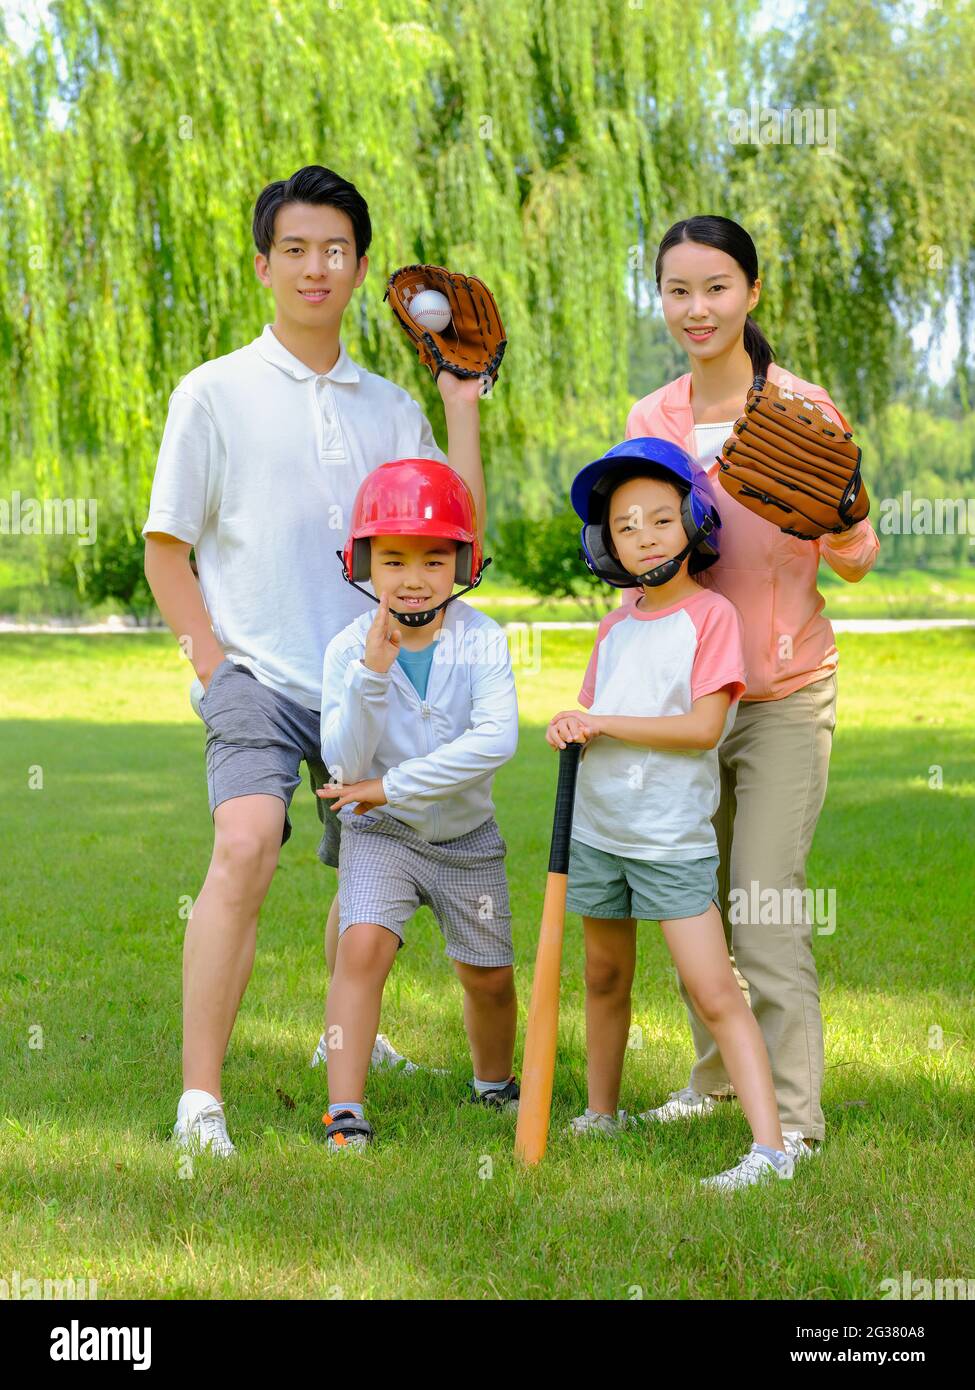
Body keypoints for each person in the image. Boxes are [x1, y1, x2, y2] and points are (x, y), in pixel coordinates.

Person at [142, 165, 488, 1156]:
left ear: (361, 266)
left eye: (334, 249)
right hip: (254, 673)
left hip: (367, 674)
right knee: (247, 842)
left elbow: (458, 536)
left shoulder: (388, 406)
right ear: (264, 265)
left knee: (369, 877)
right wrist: (209, 663)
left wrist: (459, 401)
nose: (315, 266)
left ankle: (347, 1043)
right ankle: (200, 1102)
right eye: (294, 248)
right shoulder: (211, 392)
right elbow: (168, 549)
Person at [626, 215, 880, 1154]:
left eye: (716, 287)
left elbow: (854, 561)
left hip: (782, 695)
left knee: (764, 905)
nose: (697, 308)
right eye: (678, 290)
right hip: (693, 703)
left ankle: (796, 1125)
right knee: (694, 904)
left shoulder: (805, 410)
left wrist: (847, 509)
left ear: (752, 294)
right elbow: (642, 556)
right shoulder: (649, 419)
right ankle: (713, 1082)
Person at [548, 439, 794, 1190]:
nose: (644, 534)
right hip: (597, 832)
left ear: (693, 522)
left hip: (669, 842)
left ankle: (771, 1152)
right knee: (601, 977)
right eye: (625, 525)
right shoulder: (613, 626)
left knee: (714, 989)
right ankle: (601, 1110)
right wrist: (571, 724)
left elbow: (700, 729)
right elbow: (594, 713)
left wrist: (605, 723)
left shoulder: (710, 616)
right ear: (606, 542)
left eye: (660, 518)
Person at [315, 459, 520, 1151]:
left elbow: (496, 739)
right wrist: (372, 677)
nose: (412, 577)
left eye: (434, 559)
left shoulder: (482, 638)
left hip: (466, 836)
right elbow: (344, 765)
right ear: (363, 563)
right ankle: (344, 1110)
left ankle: (494, 1085)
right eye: (393, 559)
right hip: (382, 833)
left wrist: (389, 783)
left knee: (486, 976)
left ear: (462, 563)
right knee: (361, 945)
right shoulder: (349, 648)